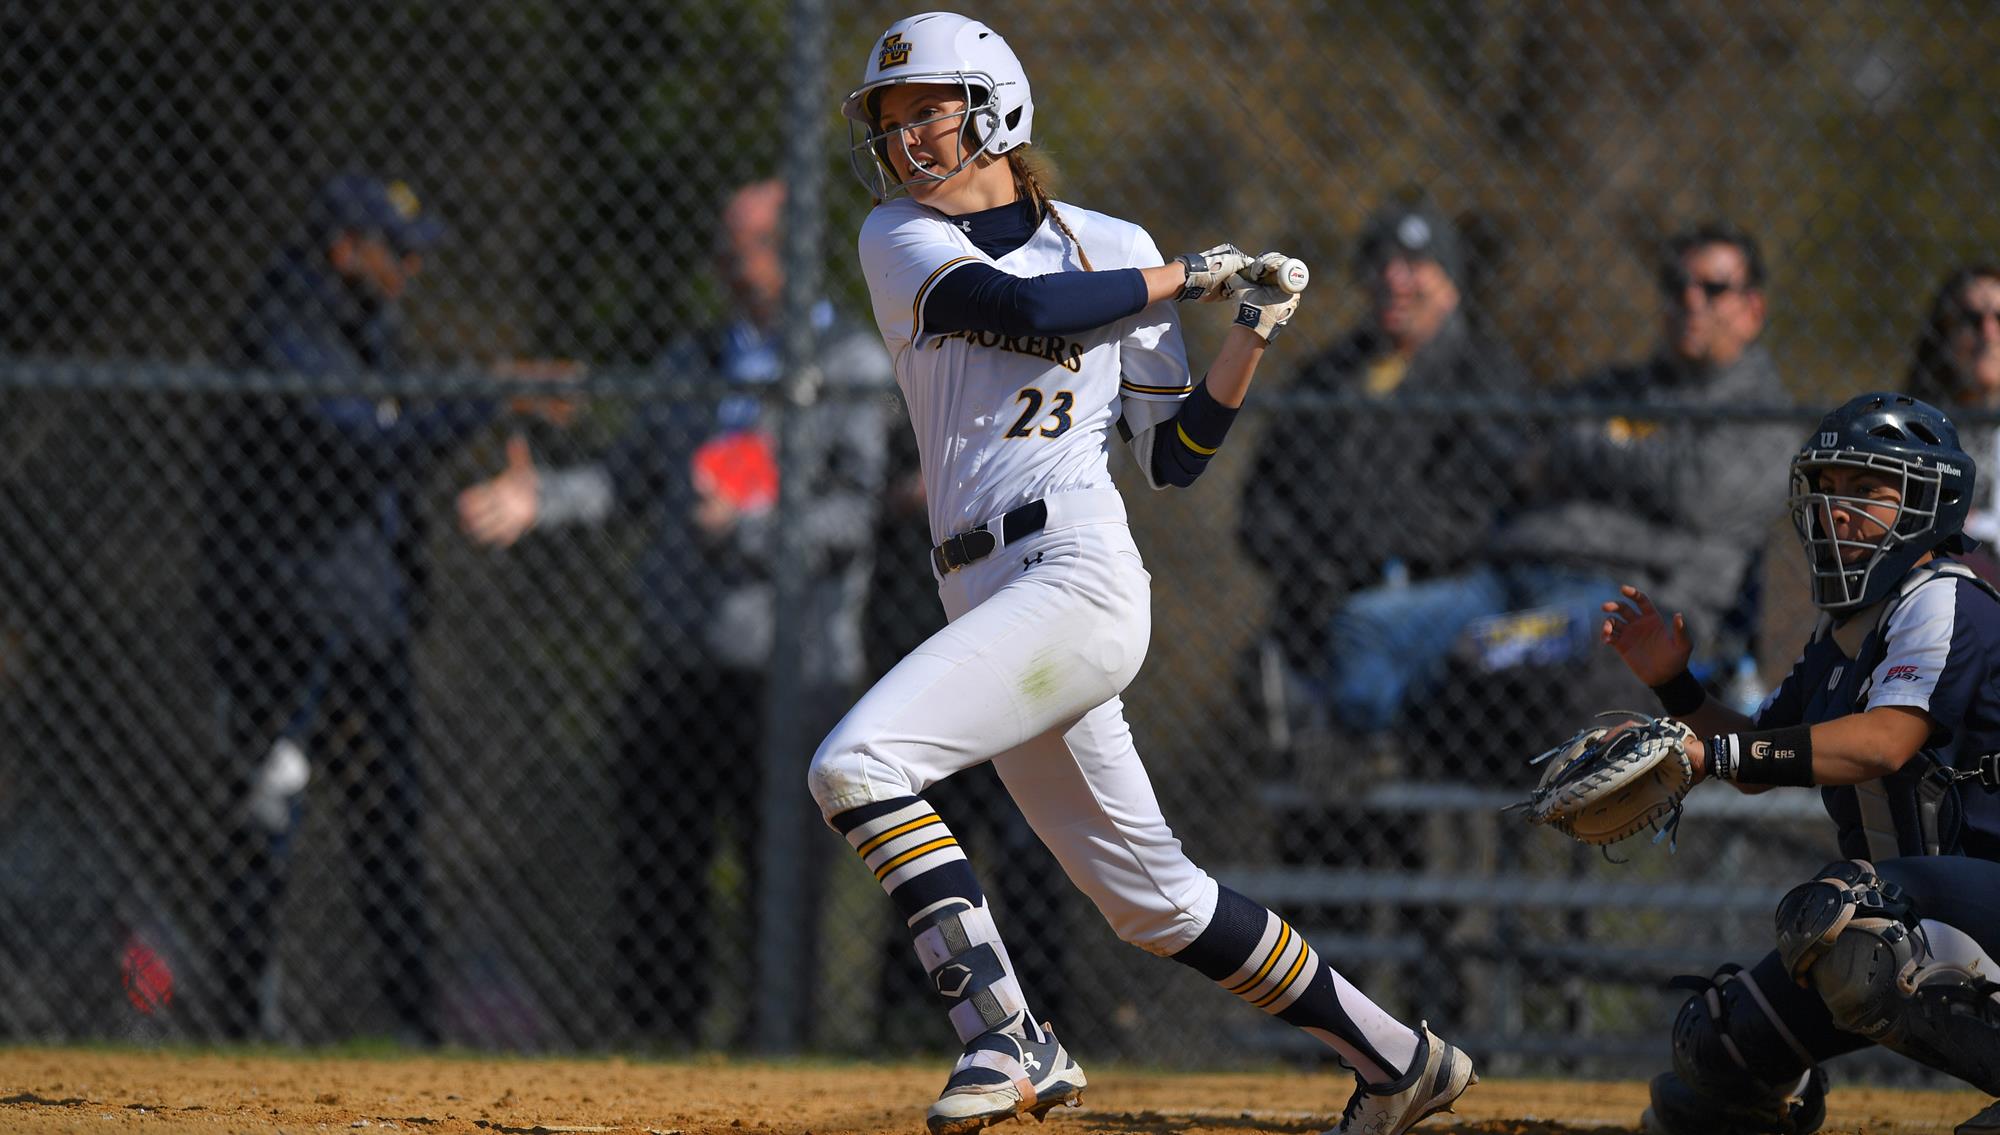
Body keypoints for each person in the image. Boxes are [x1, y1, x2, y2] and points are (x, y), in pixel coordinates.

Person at [808, 13, 1475, 1135]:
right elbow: (1017, 308)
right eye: (892, 119)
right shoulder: (899, 237)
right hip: (978, 585)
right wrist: (1186, 276)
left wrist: (1246, 334)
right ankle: (1399, 1058)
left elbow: (1172, 459)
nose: (910, 137)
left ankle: (1006, 1035)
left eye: (929, 108)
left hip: (1073, 573)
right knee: (1150, 901)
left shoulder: (1112, 246)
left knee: (856, 764)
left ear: (995, 107)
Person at [455, 178, 894, 1045]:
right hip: (681, 653)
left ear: (803, 250)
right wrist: (541, 498)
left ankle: (777, 1053)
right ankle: (655, 1050)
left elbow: (854, 517)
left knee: (782, 877)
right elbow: (628, 479)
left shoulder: (851, 366)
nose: (738, 265)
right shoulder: (691, 365)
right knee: (657, 862)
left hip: (793, 666)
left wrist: (750, 530)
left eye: (757, 246)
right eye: (728, 247)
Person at [1602, 392, 2000, 1135]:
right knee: (1715, 1045)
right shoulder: (1848, 628)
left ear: (1927, 502)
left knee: (1856, 919)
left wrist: (1711, 752)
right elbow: (1758, 757)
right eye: (1828, 488)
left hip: (1972, 901)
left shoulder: (1944, 597)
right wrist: (1675, 689)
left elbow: (1884, 741)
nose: (1837, 510)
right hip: (1929, 914)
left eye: (1867, 492)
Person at [199, 173, 485, 1043]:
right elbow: (359, 448)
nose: (409, 269)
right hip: (285, 622)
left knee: (390, 828)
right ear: (344, 251)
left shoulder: (372, 335)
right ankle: (240, 1019)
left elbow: (387, 469)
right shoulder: (283, 331)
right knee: (267, 809)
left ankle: (413, 1026)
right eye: (395, 253)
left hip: (369, 622)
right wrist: (482, 401)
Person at [1322, 221, 1793, 742]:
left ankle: (1413, 738)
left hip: (1626, 602)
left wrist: (1585, 452)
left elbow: (1697, 492)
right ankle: (1369, 759)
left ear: (1753, 309)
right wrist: (1623, 459)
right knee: (1364, 625)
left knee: (1484, 649)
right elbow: (1526, 449)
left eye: (1713, 288)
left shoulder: (1767, 421)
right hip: (1511, 575)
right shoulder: (1617, 388)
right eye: (1675, 284)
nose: (1690, 300)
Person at [1240, 201, 1528, 676]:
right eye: (1381, 264)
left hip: (1428, 596)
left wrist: (1362, 552)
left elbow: (1473, 510)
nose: (1394, 279)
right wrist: (1311, 566)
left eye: (1415, 265)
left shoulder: (1483, 376)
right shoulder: (1325, 378)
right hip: (1315, 597)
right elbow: (1263, 502)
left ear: (1451, 285)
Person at [1907, 264, 2000, 585]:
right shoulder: (1913, 431)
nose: (1989, 333)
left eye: (1999, 319)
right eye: (1973, 320)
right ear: (1945, 334)